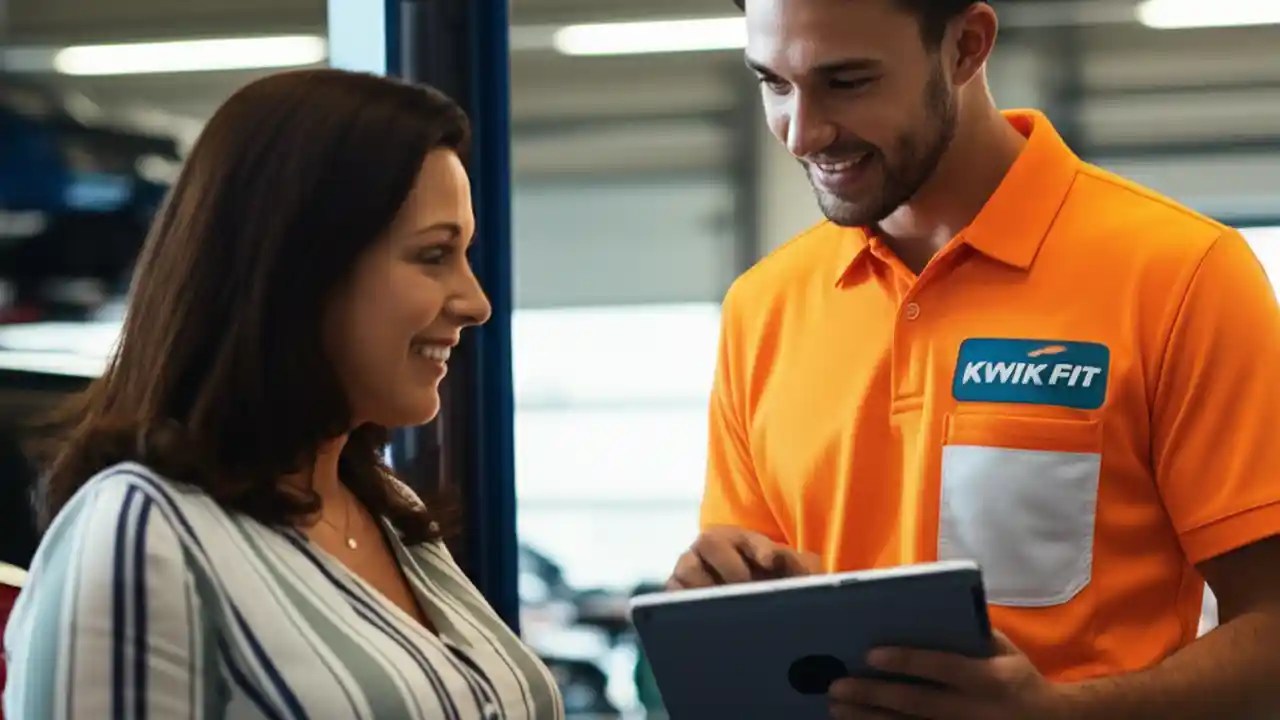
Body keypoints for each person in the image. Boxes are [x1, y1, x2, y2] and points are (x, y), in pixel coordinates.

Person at [668, 0, 1280, 717]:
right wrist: (719, 587)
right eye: (774, 83)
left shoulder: (1181, 277)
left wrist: (1062, 715)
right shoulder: (763, 306)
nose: (802, 132)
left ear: (966, 46)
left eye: (849, 81)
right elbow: (755, 616)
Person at [3, 69, 564, 720]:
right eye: (434, 255)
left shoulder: (387, 512)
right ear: (301, 268)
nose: (476, 302)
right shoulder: (141, 531)